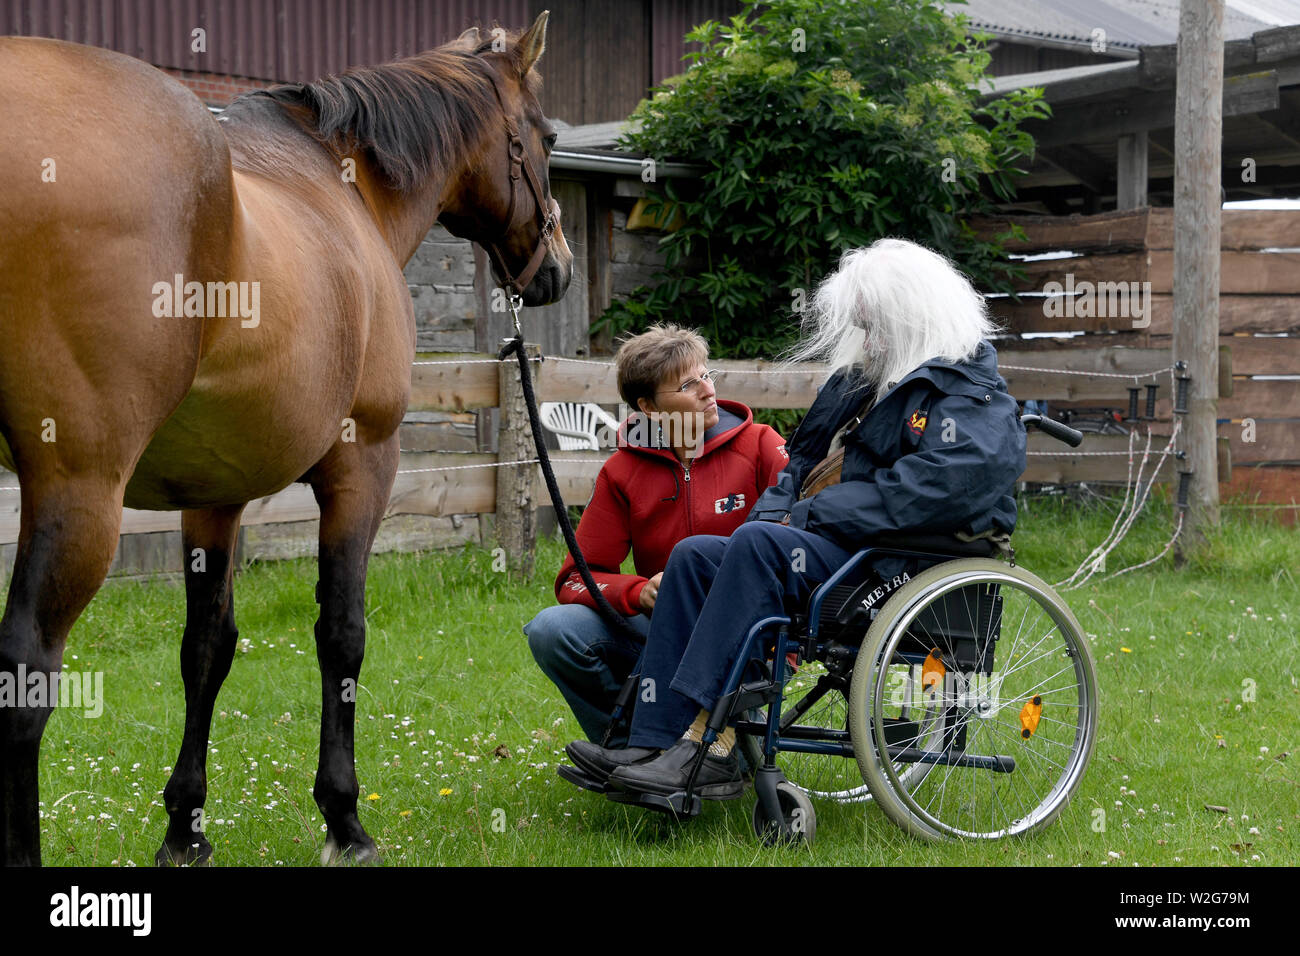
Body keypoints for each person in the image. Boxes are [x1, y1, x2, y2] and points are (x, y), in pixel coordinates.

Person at [563, 238, 1029, 800]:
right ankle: (651, 739)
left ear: (910, 318)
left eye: (874, 324)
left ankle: (707, 746)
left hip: (896, 558)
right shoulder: (857, 384)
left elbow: (944, 488)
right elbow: (798, 467)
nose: (867, 337)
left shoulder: (969, 397)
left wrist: (808, 515)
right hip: (837, 550)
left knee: (757, 544)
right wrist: (781, 516)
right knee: (698, 555)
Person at [523, 323, 789, 769]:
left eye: (708, 375)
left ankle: (700, 752)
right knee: (553, 630)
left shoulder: (761, 444)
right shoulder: (622, 471)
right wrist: (638, 593)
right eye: (689, 384)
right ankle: (636, 751)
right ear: (648, 406)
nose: (708, 391)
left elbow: (800, 533)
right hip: (660, 628)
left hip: (747, 632)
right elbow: (576, 577)